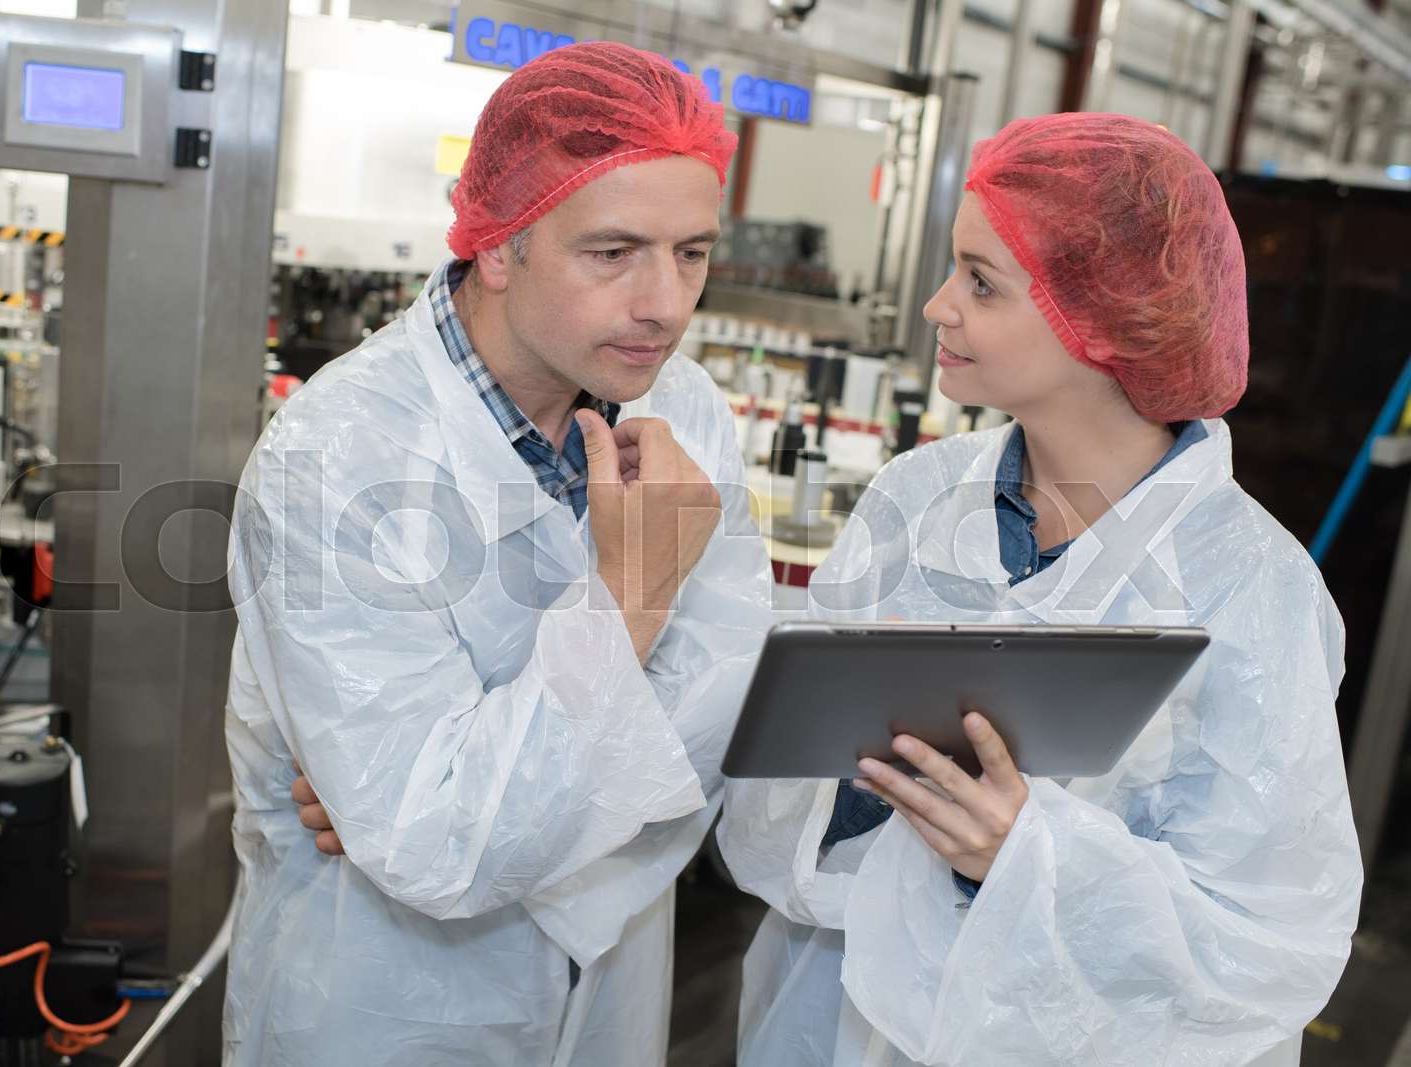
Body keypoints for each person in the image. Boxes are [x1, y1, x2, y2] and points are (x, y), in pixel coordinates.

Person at [718, 112, 1362, 1066]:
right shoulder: (916, 494)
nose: (939, 305)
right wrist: (861, 787)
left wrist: (1022, 856)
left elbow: (1266, 946)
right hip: (829, 1024)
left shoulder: (1253, 590)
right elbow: (774, 815)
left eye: (982, 281)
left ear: (1103, 322)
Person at [222, 42, 772, 1066]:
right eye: (613, 251)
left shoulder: (680, 404)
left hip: (610, 974)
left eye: (691, 252)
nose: (664, 302)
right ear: (498, 244)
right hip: (388, 997)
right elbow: (438, 846)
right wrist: (634, 593)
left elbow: (720, 709)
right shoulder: (339, 451)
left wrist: (468, 799)